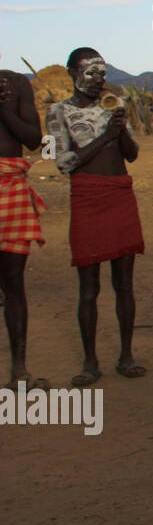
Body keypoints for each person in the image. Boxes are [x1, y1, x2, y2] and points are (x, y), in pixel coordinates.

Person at [45, 48, 147, 385]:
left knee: (125, 284)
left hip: (120, 194)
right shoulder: (58, 112)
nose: (98, 79)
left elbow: (131, 155)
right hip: (88, 198)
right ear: (72, 72)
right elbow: (64, 163)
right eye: (91, 72)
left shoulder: (114, 107)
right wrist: (105, 136)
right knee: (89, 288)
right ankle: (90, 363)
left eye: (102, 73)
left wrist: (120, 130)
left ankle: (126, 356)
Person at [0, 65, 47, 390]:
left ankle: (19, 372)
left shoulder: (15, 84)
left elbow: (34, 140)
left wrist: (3, 109)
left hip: (11, 189)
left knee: (13, 282)